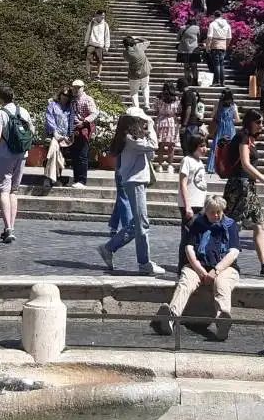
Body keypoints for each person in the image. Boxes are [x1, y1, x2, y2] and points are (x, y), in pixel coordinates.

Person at [151, 196, 240, 339]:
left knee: (221, 283)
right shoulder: (197, 223)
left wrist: (216, 270)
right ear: (206, 211)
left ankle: (222, 321)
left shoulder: (230, 225)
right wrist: (200, 270)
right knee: (185, 282)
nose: (216, 215)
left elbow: (233, 252)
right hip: (197, 266)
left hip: (225, 268)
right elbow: (189, 248)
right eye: (212, 212)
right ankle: (171, 317)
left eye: (219, 212)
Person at [97, 108, 164, 275]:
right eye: (140, 121)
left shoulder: (133, 138)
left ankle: (108, 248)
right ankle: (144, 263)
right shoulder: (130, 138)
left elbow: (150, 153)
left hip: (137, 181)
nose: (143, 123)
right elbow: (154, 145)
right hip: (135, 181)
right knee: (142, 224)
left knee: (136, 224)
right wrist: (151, 126)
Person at [223, 109, 264, 278]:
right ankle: (227, 260)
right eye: (258, 122)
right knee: (232, 224)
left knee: (259, 224)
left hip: (247, 186)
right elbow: (246, 164)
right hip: (239, 186)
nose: (261, 125)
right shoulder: (242, 137)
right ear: (249, 122)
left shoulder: (249, 139)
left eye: (263, 122)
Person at [0, 86, 33, 244]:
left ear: (0, 98)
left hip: (4, 155)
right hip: (22, 154)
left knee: (4, 190)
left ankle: (8, 228)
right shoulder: (23, 111)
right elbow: (31, 130)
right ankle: (12, 227)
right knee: (14, 191)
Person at [67, 79, 98, 188]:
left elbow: (94, 113)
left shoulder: (88, 99)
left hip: (83, 128)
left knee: (82, 155)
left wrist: (84, 122)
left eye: (78, 87)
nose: (76, 90)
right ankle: (76, 179)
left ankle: (82, 180)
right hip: (73, 129)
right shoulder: (72, 100)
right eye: (74, 87)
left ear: (83, 88)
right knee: (75, 155)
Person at [42, 87, 73, 190]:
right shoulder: (53, 105)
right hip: (52, 135)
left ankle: (57, 178)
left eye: (67, 96)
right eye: (64, 94)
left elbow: (71, 121)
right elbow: (49, 118)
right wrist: (54, 132)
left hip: (64, 137)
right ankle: (47, 178)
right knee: (50, 156)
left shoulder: (69, 108)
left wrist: (69, 135)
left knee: (60, 158)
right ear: (60, 95)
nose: (65, 97)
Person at [205, 88, 237, 176]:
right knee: (230, 147)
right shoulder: (233, 106)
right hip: (230, 128)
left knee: (216, 146)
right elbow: (237, 119)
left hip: (220, 127)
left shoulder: (218, 104)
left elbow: (212, 115)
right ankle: (230, 167)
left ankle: (213, 167)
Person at [154, 82, 180, 173]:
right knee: (171, 146)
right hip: (172, 122)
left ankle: (160, 165)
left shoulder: (158, 98)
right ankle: (170, 166)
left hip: (161, 121)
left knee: (160, 145)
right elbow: (178, 110)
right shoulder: (176, 99)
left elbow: (155, 110)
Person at [122, 35, 152, 111]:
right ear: (133, 42)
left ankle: (136, 108)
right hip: (144, 71)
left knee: (134, 92)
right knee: (145, 87)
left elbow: (127, 60)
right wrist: (137, 37)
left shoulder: (125, 53)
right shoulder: (139, 47)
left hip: (134, 73)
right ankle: (147, 104)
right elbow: (147, 42)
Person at [205, 12, 231, 89]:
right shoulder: (227, 25)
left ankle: (217, 81)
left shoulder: (212, 24)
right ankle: (222, 81)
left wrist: (208, 46)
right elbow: (229, 37)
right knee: (221, 64)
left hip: (215, 45)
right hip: (223, 45)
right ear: (221, 16)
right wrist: (226, 45)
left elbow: (210, 36)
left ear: (214, 16)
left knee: (216, 64)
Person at [84, 9, 111, 81]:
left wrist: (107, 46)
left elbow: (107, 36)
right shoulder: (92, 23)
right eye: (102, 15)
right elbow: (88, 33)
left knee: (99, 61)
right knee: (88, 59)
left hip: (100, 45)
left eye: (104, 15)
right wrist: (85, 42)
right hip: (91, 44)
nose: (103, 17)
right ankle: (88, 74)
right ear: (97, 15)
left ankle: (98, 76)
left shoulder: (105, 24)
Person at [177, 20, 201, 85]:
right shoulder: (197, 28)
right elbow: (199, 38)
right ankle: (195, 81)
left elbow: (178, 38)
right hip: (194, 50)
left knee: (186, 66)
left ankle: (187, 80)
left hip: (184, 50)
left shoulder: (182, 28)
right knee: (194, 66)